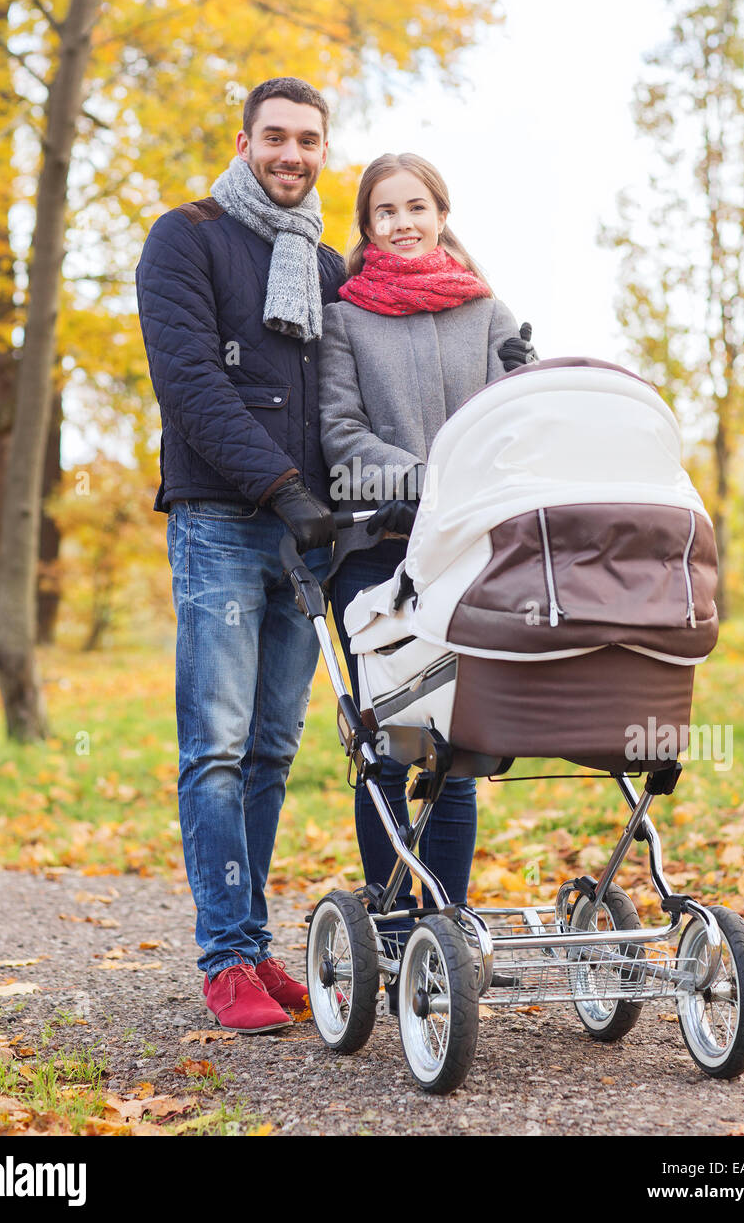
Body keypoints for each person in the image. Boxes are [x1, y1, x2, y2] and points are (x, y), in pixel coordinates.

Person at [136, 78, 345, 1034]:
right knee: (214, 748)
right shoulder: (186, 237)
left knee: (272, 748)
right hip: (223, 521)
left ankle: (254, 946)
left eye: (307, 139)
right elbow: (189, 386)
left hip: (310, 538)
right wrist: (283, 487)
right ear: (244, 140)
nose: (291, 154)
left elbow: (371, 372)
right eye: (275, 137)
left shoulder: (327, 260)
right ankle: (224, 957)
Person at [320, 152, 533, 952]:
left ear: (441, 214)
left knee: (455, 743)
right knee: (385, 743)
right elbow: (339, 435)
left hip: (469, 559)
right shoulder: (344, 318)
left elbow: (520, 416)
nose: (402, 223)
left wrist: (527, 380)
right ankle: (385, 917)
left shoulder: (488, 312)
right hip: (378, 551)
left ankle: (440, 925)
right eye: (385, 212)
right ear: (366, 225)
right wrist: (430, 480)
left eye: (417, 207)